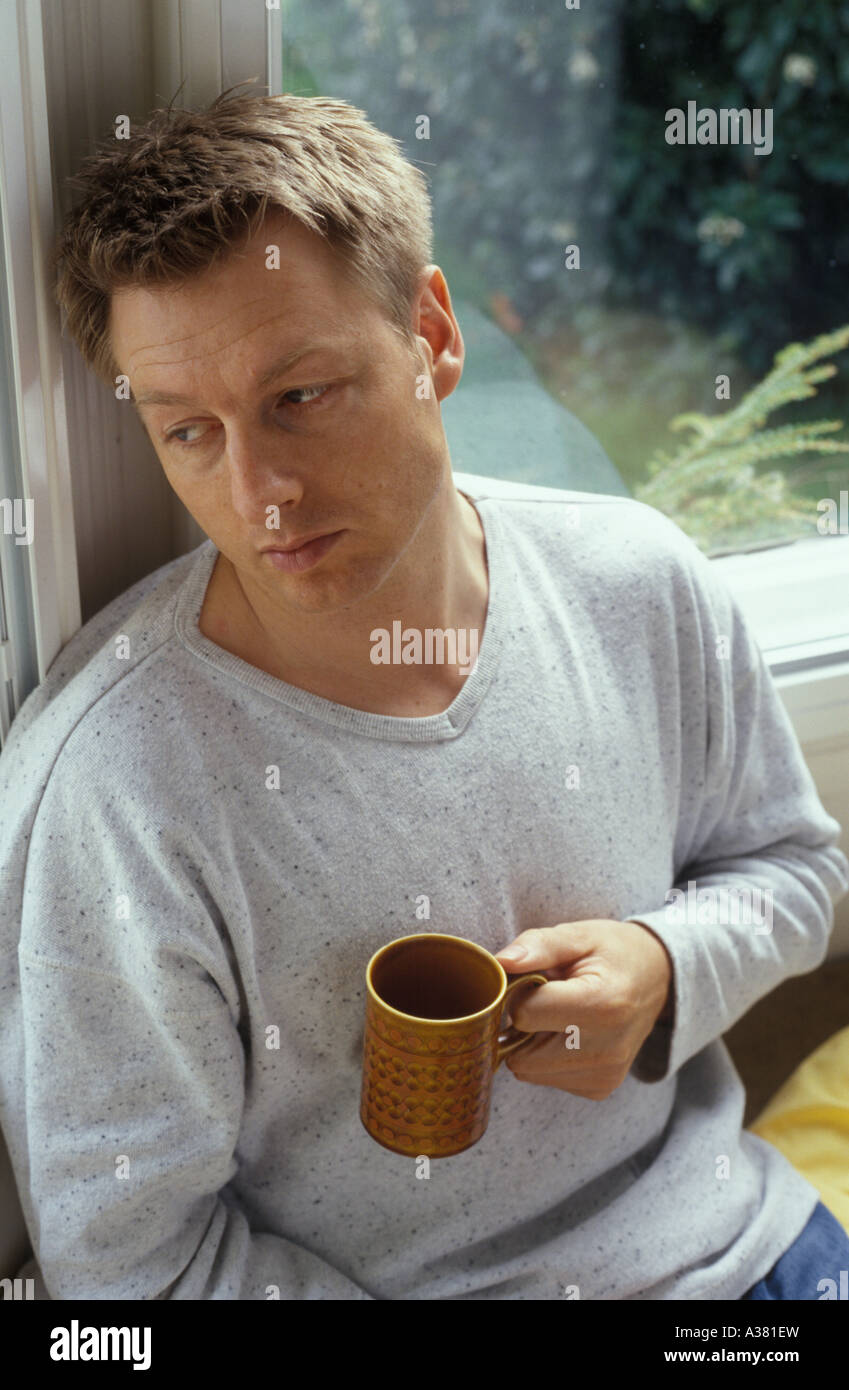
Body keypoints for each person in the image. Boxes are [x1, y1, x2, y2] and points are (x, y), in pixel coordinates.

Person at [0, 87, 847, 1302]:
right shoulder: (118, 788)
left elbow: (799, 870)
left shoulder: (635, 581)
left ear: (432, 334)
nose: (262, 496)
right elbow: (134, 1268)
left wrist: (667, 968)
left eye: (300, 397)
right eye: (191, 432)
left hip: (750, 1255)